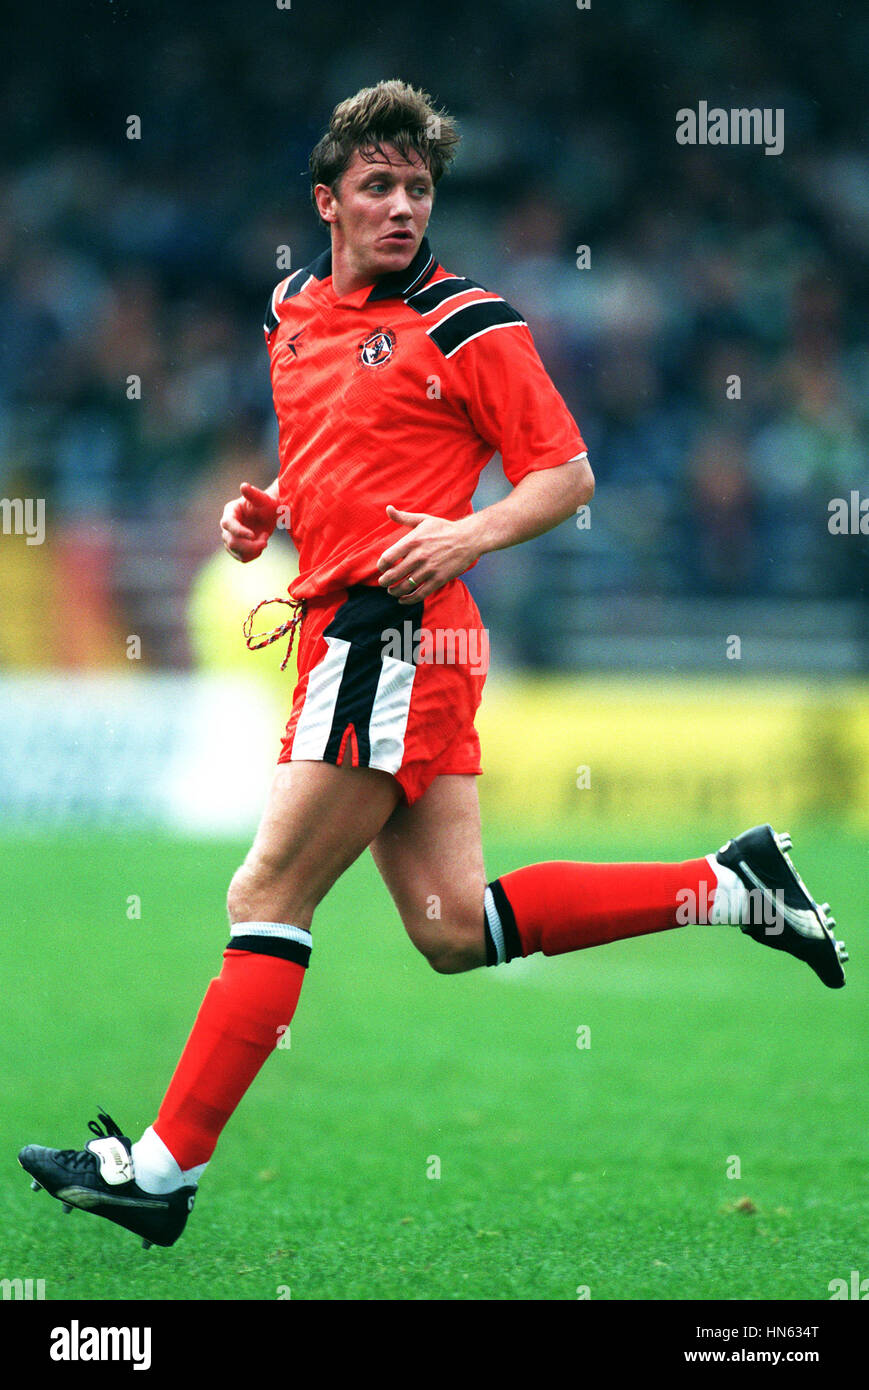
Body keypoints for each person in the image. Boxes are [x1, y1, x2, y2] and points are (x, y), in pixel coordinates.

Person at [19, 80, 847, 1251]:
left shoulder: (471, 324)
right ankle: (729, 885)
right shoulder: (287, 308)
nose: (403, 206)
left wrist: (467, 532)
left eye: (417, 187)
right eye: (378, 186)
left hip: (394, 633)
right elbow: (324, 448)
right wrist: (270, 510)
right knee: (454, 929)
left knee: (264, 895)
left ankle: (160, 1172)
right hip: (356, 632)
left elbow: (565, 476)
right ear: (329, 201)